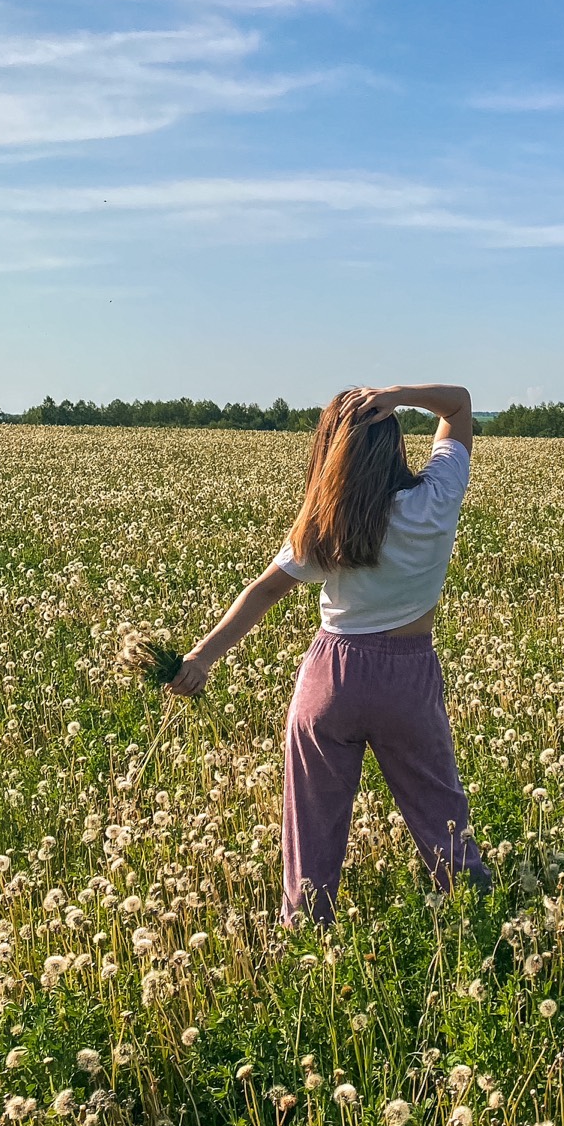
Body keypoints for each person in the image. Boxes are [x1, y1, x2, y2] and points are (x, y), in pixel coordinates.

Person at [168, 384, 491, 921]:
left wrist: (201, 657)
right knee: (439, 809)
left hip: (331, 677)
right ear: (395, 442)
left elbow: (264, 590)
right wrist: (400, 395)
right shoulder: (436, 499)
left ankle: (305, 930)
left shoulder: (327, 522)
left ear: (329, 452)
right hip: (407, 679)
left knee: (312, 820)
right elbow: (458, 404)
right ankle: (478, 915)